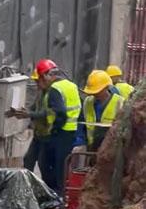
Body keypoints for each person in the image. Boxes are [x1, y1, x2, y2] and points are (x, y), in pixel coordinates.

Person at [10, 59, 81, 196]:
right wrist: (27, 112)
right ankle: (34, 191)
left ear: (46, 76)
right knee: (41, 163)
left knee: (53, 167)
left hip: (57, 133)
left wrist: (32, 116)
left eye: (39, 81)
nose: (37, 84)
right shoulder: (67, 86)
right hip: (57, 132)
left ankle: (54, 196)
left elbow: (56, 112)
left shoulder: (54, 90)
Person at [74, 70, 124, 152]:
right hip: (92, 148)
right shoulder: (88, 102)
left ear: (107, 87)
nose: (95, 94)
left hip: (111, 150)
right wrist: (80, 143)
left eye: (98, 91)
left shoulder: (119, 102)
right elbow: (82, 125)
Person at [20, 69, 50, 171]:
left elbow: (46, 114)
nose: (37, 84)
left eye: (38, 81)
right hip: (39, 134)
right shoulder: (41, 93)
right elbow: (34, 107)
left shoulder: (52, 94)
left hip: (48, 135)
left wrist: (29, 114)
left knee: (43, 163)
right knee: (28, 159)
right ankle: (28, 180)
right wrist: (24, 111)